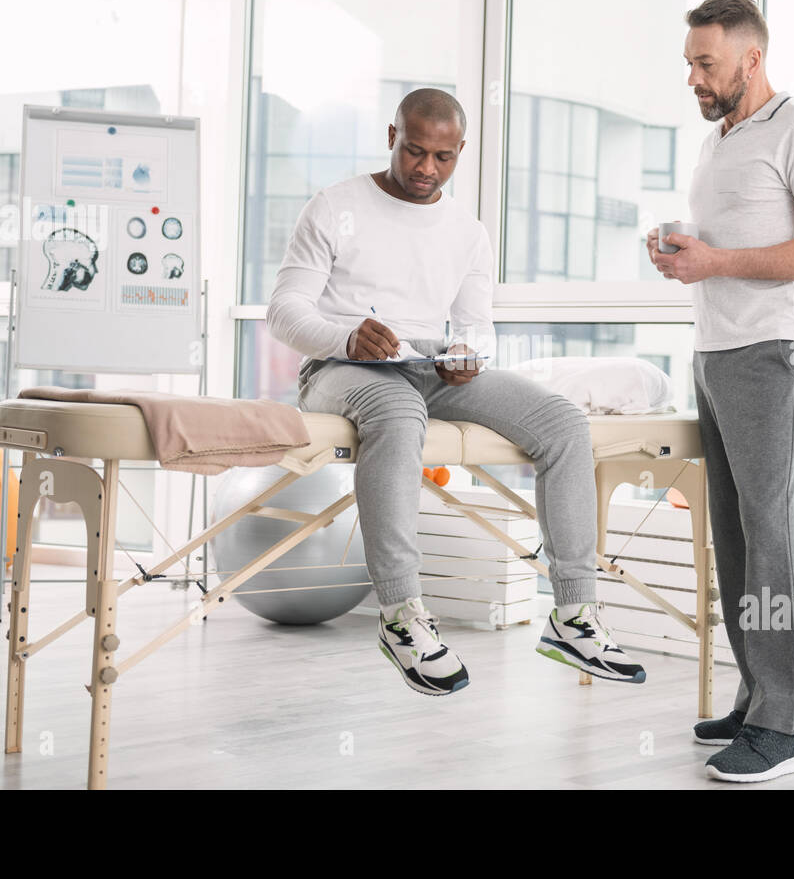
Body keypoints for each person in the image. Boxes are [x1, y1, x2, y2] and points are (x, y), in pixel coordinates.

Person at [268, 88, 646, 696]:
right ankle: (401, 615)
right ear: (392, 136)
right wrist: (346, 337)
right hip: (340, 368)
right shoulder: (335, 206)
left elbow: (475, 328)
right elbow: (283, 312)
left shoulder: (467, 232)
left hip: (425, 366)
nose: (425, 169)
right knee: (397, 410)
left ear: (460, 152)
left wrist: (467, 357)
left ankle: (573, 613)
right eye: (414, 151)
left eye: (442, 157)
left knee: (562, 424)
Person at [646, 0, 794, 782]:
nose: (694, 78)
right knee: (731, 536)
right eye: (690, 64)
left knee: (770, 535)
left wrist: (716, 262)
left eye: (706, 63)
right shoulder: (717, 141)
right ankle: (754, 693)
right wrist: (681, 254)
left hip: (768, 351)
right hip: (714, 351)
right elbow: (723, 248)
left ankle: (783, 724)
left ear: (750, 59)